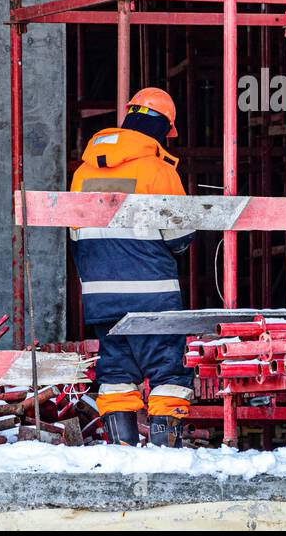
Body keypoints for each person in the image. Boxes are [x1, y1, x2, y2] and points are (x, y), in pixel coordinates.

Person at [69, 87, 194, 447]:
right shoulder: (159, 169)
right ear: (162, 127)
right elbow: (179, 237)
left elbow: (76, 235)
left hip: (99, 294)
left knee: (117, 369)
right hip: (151, 294)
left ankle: (121, 447)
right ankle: (163, 449)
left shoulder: (83, 172)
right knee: (168, 370)